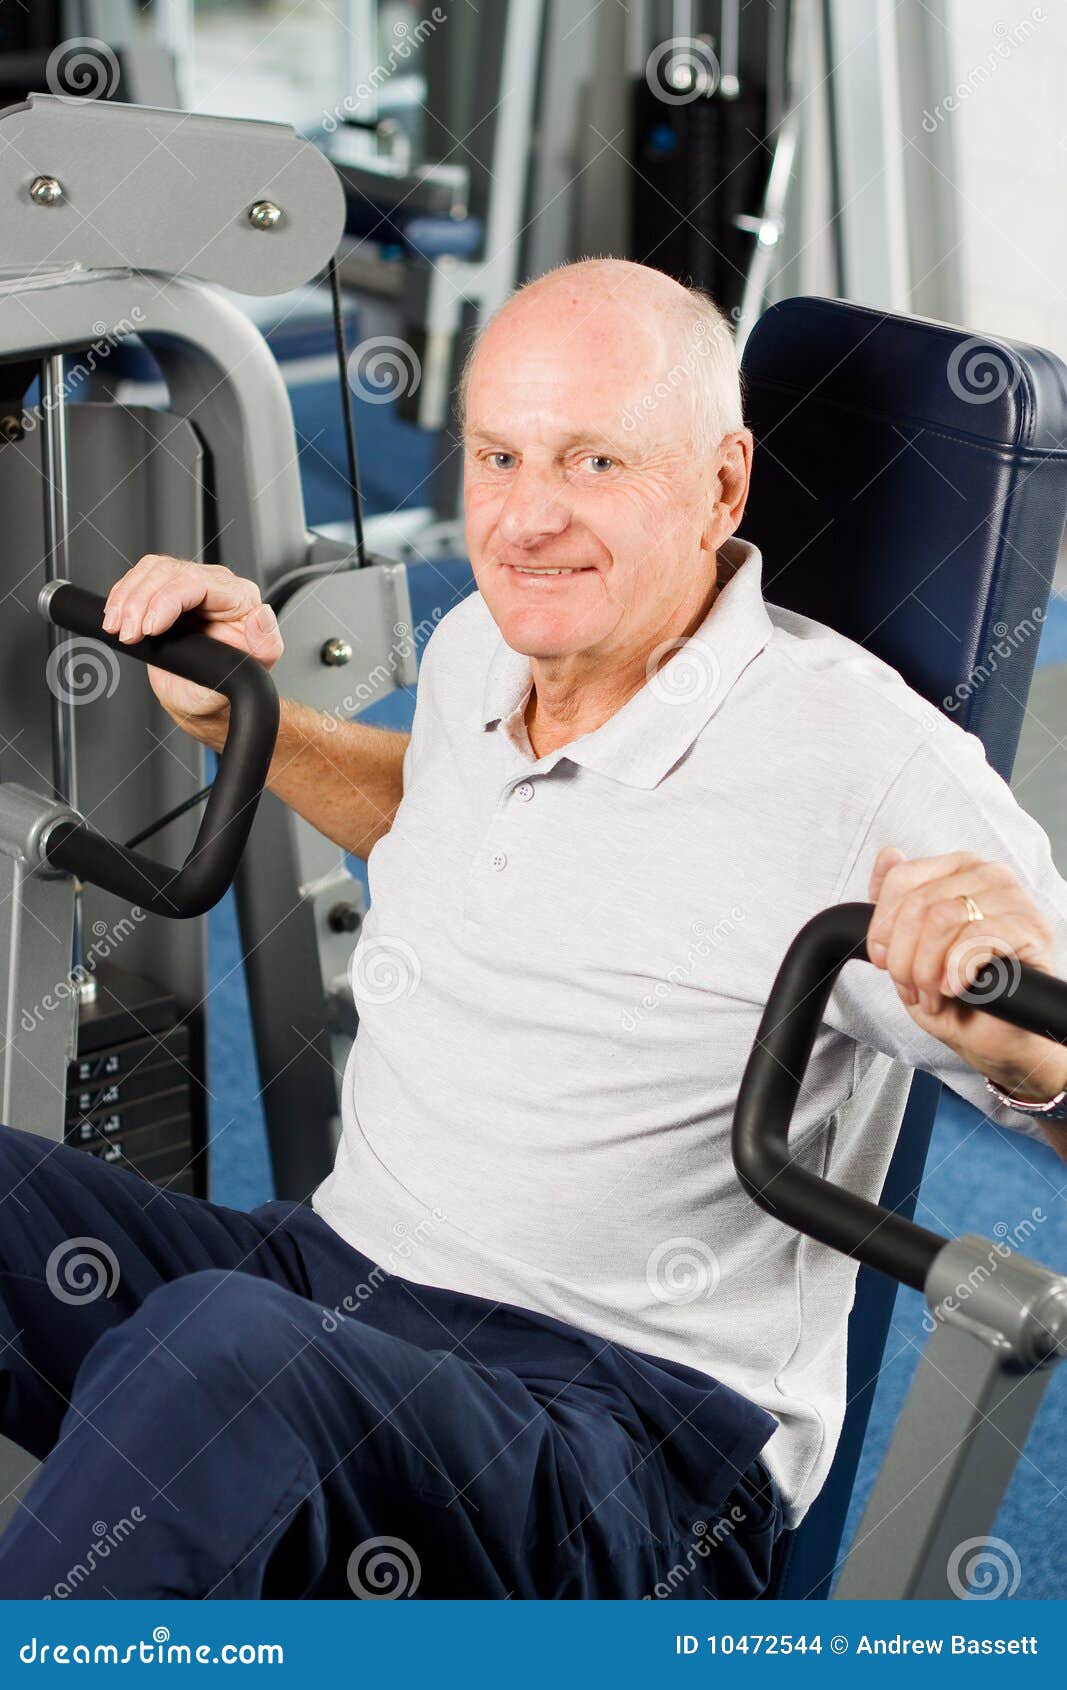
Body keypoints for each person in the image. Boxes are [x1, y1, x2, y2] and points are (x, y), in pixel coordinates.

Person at [1, 259, 1065, 1600]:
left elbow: (1046, 1033)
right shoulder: (487, 649)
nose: (527, 517)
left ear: (722, 487)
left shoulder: (874, 766)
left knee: (218, 1362)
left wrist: (1033, 1060)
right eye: (499, 455)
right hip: (338, 1277)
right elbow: (431, 810)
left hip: (628, 1434)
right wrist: (240, 725)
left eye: (595, 460)